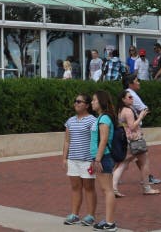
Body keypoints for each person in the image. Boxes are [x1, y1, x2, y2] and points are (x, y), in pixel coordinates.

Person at [112, 90, 160, 197]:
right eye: (129, 97)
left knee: (123, 163)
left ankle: (113, 187)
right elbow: (132, 126)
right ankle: (147, 188)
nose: (132, 99)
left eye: (132, 97)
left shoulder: (120, 111)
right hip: (135, 140)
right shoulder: (128, 111)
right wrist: (141, 116)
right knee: (144, 163)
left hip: (127, 140)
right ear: (123, 99)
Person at [62, 93, 97, 226]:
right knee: (75, 187)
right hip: (73, 160)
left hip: (87, 160)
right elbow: (66, 141)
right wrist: (64, 158)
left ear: (87, 105)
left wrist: (94, 159)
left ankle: (90, 216)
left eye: (79, 102)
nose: (76, 104)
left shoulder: (92, 120)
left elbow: (95, 140)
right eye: (75, 101)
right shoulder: (70, 121)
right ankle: (74, 215)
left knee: (89, 187)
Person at [123, 74, 161, 185]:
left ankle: (114, 176)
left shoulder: (126, 94)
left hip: (129, 129)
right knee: (138, 155)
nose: (139, 82)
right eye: (137, 81)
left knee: (134, 155)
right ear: (131, 83)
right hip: (133, 129)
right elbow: (143, 108)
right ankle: (146, 179)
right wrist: (141, 115)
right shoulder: (131, 95)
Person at [90, 90, 117, 231]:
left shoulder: (104, 119)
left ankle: (110, 223)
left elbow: (104, 139)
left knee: (108, 190)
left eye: (94, 100)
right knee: (106, 189)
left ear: (101, 101)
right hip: (100, 157)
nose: (92, 102)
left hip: (104, 157)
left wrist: (98, 159)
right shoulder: (100, 117)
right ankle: (108, 220)